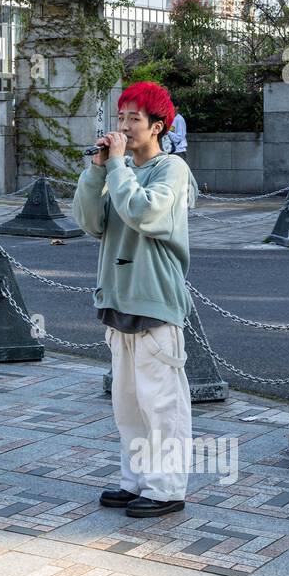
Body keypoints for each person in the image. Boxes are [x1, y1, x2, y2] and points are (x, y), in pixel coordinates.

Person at [72, 81, 197, 519]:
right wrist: (95, 171)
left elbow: (143, 212)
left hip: (155, 302)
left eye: (133, 119)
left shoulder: (172, 171)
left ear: (158, 126)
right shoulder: (117, 169)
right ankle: (138, 480)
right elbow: (91, 222)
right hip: (118, 299)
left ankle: (166, 488)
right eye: (120, 117)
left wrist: (118, 166)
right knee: (127, 402)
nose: (122, 126)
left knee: (161, 403)